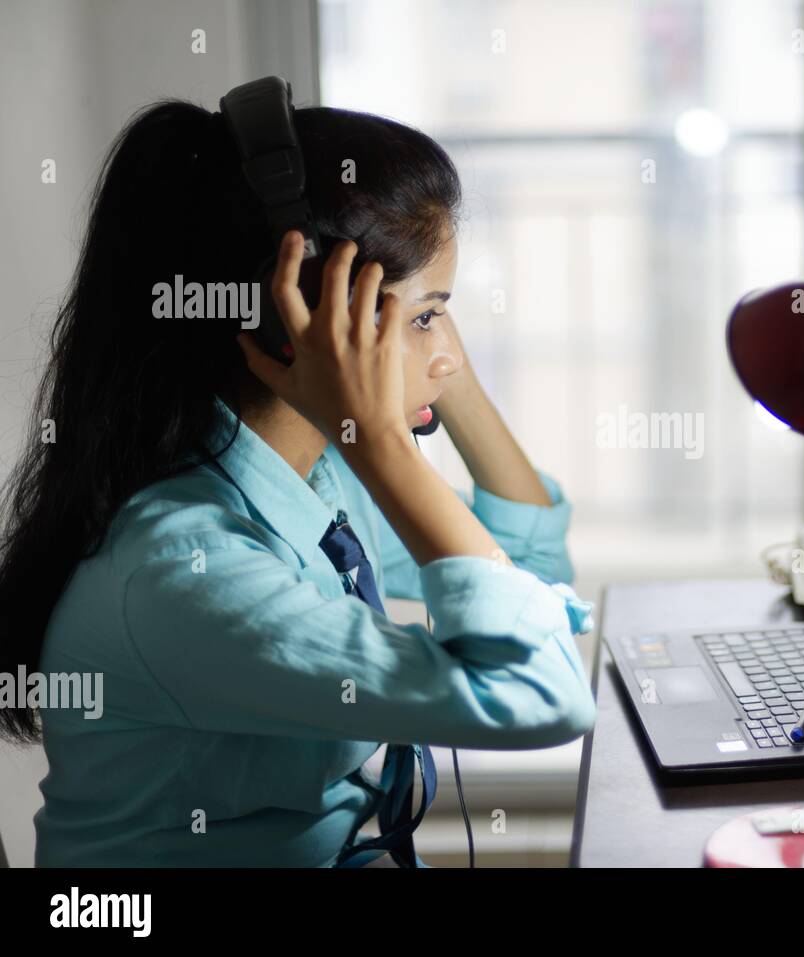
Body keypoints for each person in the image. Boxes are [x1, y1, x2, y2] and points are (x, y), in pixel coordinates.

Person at [0, 98, 596, 866]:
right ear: (299, 324)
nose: (449, 353)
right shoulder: (186, 571)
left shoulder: (306, 476)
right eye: (424, 318)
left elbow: (527, 563)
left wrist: (424, 363)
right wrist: (384, 441)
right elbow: (538, 692)